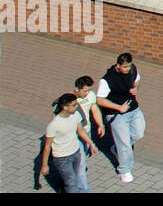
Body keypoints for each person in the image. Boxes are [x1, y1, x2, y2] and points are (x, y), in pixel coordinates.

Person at [97, 52, 146, 183]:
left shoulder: (133, 70)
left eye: (129, 66)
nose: (128, 69)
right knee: (124, 144)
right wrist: (118, 108)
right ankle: (124, 170)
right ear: (118, 65)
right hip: (116, 115)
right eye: (125, 67)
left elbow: (137, 81)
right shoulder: (107, 80)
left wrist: (136, 89)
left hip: (133, 109)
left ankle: (117, 149)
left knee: (139, 133)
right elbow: (100, 100)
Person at [42, 93, 95, 193]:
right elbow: (47, 145)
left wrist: (91, 143)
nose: (77, 107)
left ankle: (63, 186)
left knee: (75, 177)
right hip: (62, 157)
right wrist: (44, 165)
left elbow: (80, 130)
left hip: (76, 152)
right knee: (72, 183)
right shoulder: (54, 125)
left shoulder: (75, 115)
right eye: (74, 105)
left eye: (77, 104)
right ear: (65, 107)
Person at [72, 75, 104, 167]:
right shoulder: (71, 100)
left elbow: (95, 109)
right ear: (77, 89)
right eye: (84, 91)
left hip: (86, 130)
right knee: (80, 158)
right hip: (75, 132)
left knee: (83, 153)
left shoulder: (91, 95)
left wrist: (100, 125)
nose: (87, 93)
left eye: (88, 90)